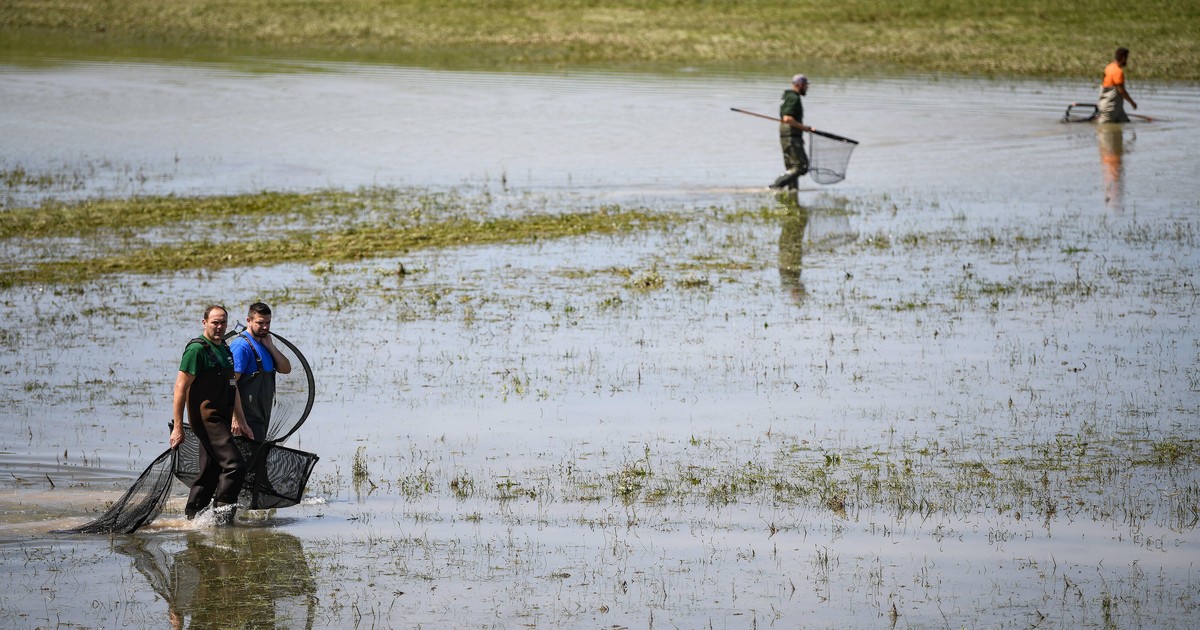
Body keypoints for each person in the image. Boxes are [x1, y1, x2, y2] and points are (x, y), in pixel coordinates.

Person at [169, 305, 254, 524]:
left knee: (210, 470)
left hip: (223, 418)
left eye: (222, 322)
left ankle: (192, 517)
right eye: (215, 322)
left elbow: (233, 388)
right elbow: (180, 387)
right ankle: (221, 518)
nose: (219, 327)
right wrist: (178, 427)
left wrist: (241, 422)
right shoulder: (197, 350)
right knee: (235, 465)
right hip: (207, 419)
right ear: (204, 322)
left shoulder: (225, 349)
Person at [229, 302, 292, 442]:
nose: (265, 327)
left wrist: (270, 346)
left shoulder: (265, 345)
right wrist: (236, 419)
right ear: (248, 321)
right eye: (260, 323)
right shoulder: (241, 346)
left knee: (257, 462)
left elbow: (285, 368)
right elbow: (230, 385)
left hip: (261, 418)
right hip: (245, 421)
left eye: (268, 323)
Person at [770, 73, 816, 190]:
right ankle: (775, 186)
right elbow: (787, 118)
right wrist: (804, 128)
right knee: (801, 166)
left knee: (792, 168)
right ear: (799, 84)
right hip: (790, 133)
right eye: (806, 85)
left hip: (789, 134)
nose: (807, 88)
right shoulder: (794, 97)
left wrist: (799, 135)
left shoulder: (788, 96)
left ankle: (793, 193)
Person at [1096, 47, 1137, 124]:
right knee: (1105, 127)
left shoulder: (1109, 66)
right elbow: (1121, 90)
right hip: (1110, 107)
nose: (1127, 61)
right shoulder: (1118, 71)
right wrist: (1132, 102)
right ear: (1123, 58)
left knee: (1125, 122)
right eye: (1126, 58)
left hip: (1117, 106)